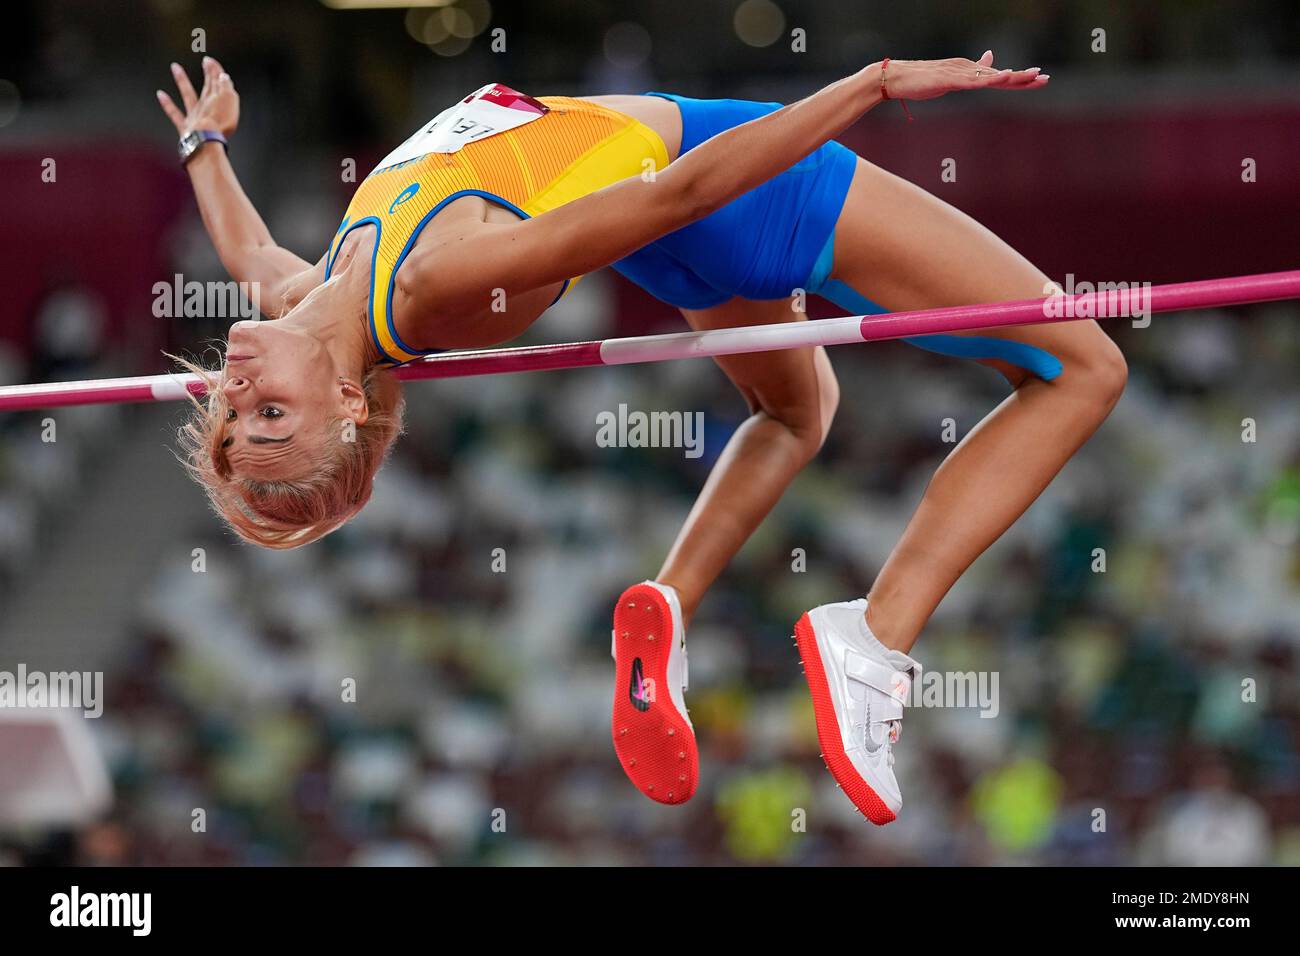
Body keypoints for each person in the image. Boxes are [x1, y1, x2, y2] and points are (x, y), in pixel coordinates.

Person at [157, 51, 1125, 824]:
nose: (238, 391)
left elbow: (247, 249)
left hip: (683, 219)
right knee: (1083, 367)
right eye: (270, 414)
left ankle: (669, 599)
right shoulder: (429, 285)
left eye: (237, 414)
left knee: (793, 410)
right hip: (725, 179)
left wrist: (205, 141)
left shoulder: (311, 293)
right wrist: (865, 86)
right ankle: (873, 637)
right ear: (344, 399)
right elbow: (675, 196)